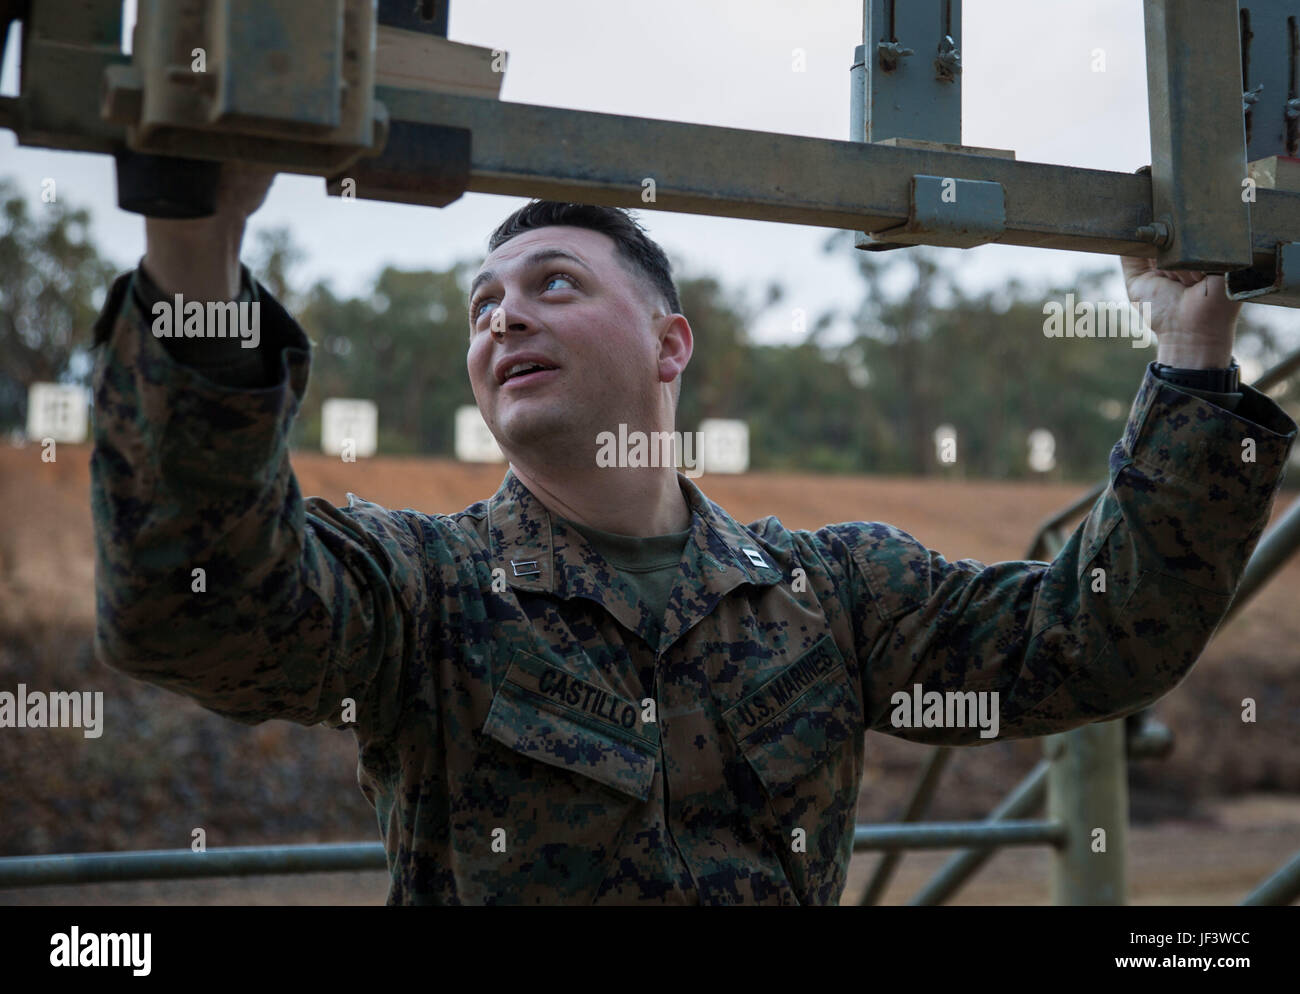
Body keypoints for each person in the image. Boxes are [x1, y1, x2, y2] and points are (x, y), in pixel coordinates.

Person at [91, 167, 1296, 904]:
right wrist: (195, 249)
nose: (504, 312)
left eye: (554, 283)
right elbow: (192, 615)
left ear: (670, 346)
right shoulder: (429, 588)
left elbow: (1094, 640)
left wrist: (1190, 355)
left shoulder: (831, 595)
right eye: (481, 305)